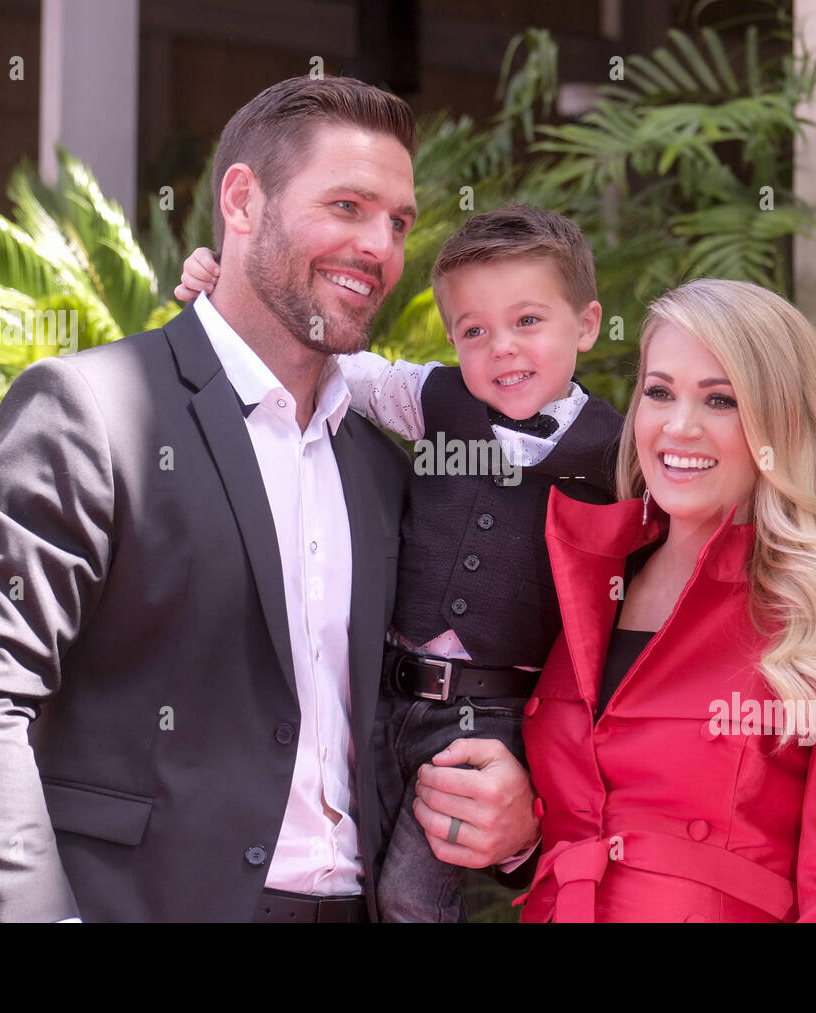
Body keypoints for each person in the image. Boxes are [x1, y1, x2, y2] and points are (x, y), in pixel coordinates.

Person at [0, 75, 537, 923]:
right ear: (243, 202)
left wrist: (515, 822)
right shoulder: (91, 411)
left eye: (398, 221)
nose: (381, 246)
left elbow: (425, 705)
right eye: (348, 205)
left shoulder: (386, 469)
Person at [177, 204, 624, 921]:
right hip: (381, 699)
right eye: (474, 331)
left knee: (411, 894)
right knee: (351, 869)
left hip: (488, 719)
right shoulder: (436, 399)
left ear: (589, 324)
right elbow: (333, 366)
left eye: (529, 322)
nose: (502, 348)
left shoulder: (618, 453)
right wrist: (228, 299)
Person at [511, 278, 816, 922]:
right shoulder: (576, 584)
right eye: (659, 392)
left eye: (721, 400)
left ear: (782, 425)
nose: (680, 427)